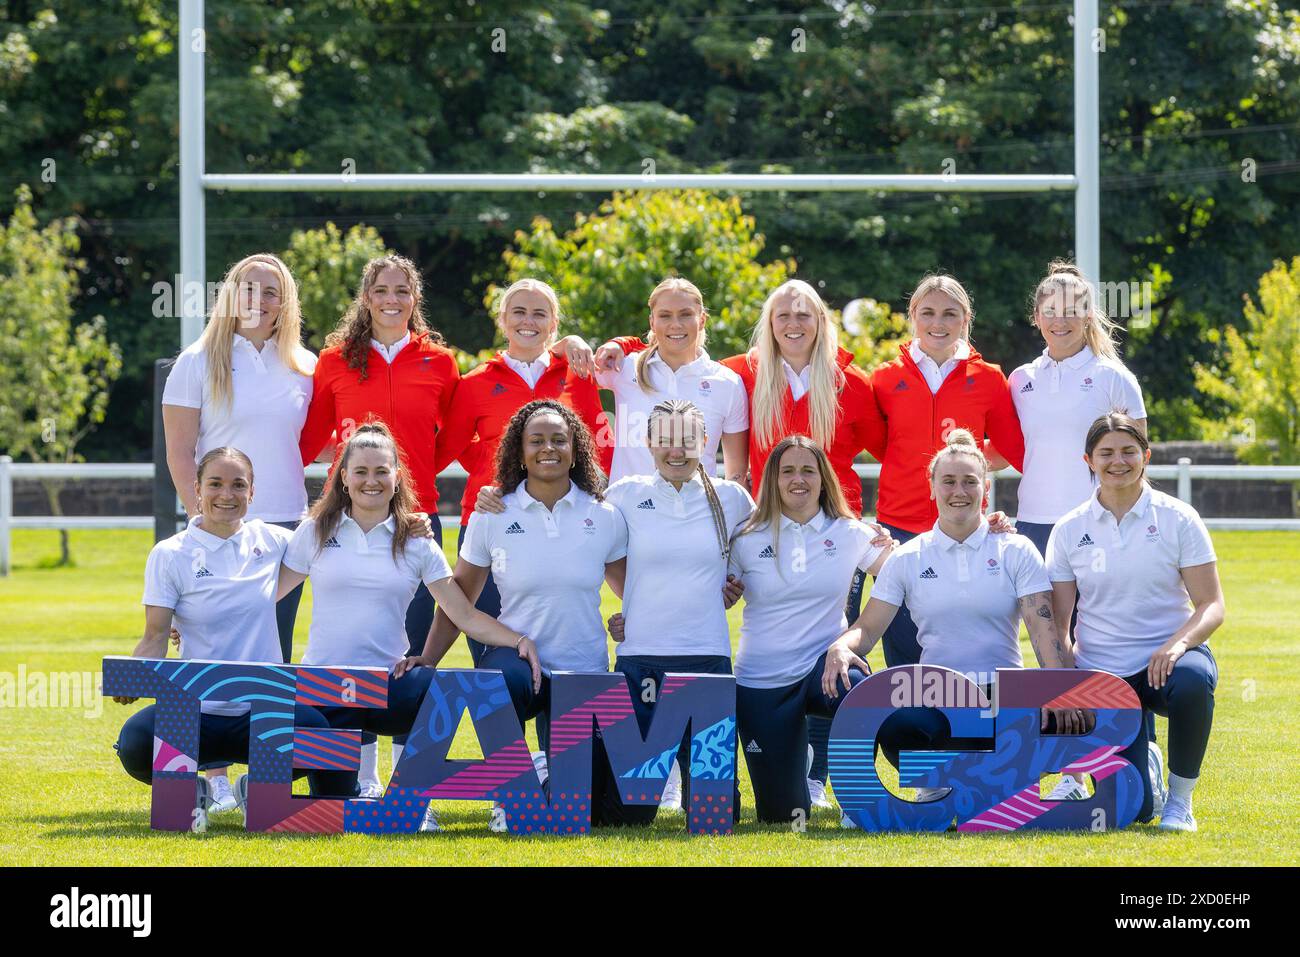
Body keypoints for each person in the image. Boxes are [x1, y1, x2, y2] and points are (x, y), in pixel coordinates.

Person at [476, 399, 753, 819]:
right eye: (665, 440)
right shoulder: (623, 495)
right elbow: (582, 528)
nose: (676, 451)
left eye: (687, 440)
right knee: (621, 817)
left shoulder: (733, 499)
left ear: (705, 441)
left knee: (717, 814)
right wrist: (494, 494)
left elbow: (767, 548)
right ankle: (543, 771)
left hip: (707, 664)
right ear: (649, 443)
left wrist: (733, 582)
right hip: (639, 663)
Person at [277, 422, 534, 828]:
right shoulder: (315, 531)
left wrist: (518, 640)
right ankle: (265, 786)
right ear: (343, 477)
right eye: (360, 471)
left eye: (382, 471)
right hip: (324, 686)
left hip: (388, 686)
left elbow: (462, 613)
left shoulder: (416, 540)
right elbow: (267, 596)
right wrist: (195, 619)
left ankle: (415, 799)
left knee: (435, 686)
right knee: (331, 810)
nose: (371, 481)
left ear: (397, 478)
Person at [822, 430, 1075, 826]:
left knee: (1000, 807)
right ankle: (936, 782)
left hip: (1001, 695)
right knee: (898, 723)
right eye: (949, 481)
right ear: (932, 487)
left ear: (985, 488)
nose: (960, 491)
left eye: (970, 481)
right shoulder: (907, 557)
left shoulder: (1015, 549)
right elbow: (868, 628)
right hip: (936, 696)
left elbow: (1044, 634)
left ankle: (984, 778)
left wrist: (1059, 694)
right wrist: (842, 646)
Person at [402, 399, 627, 829]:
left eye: (559, 440)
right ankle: (510, 794)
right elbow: (458, 601)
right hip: (519, 663)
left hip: (584, 671)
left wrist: (632, 619)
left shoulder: (604, 514)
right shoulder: (493, 514)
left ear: (575, 449)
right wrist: (427, 661)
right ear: (519, 451)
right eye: (536, 440)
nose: (549, 448)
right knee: (497, 681)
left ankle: (542, 777)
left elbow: (631, 589)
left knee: (601, 813)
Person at [113, 448, 354, 814]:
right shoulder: (170, 553)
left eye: (238, 485)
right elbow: (156, 635)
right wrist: (133, 678)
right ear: (197, 488)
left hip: (264, 709)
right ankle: (193, 790)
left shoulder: (274, 541)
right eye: (215, 484)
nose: (227, 494)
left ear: (252, 492)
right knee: (135, 742)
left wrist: (412, 526)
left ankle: (255, 787)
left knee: (326, 742)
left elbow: (337, 532)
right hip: (194, 712)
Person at [297, 255, 460, 791]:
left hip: (412, 517)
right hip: (342, 519)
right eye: (382, 290)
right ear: (365, 298)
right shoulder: (334, 361)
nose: (392, 299)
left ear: (415, 300)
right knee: (351, 650)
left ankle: (408, 787)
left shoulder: (440, 362)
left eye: (403, 291)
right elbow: (310, 436)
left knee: (406, 659)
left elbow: (455, 435)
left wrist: (408, 482)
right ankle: (359, 780)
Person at [161, 254, 316, 809]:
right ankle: (216, 778)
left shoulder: (305, 365)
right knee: (213, 649)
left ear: (285, 302)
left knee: (271, 652)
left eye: (271, 291)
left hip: (283, 527)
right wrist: (204, 527)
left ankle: (263, 774)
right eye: (248, 289)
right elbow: (180, 454)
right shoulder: (197, 361)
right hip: (219, 527)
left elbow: (312, 442)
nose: (260, 299)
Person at [1046, 413, 1223, 832]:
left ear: (1145, 456)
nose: (1118, 461)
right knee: (1134, 808)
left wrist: (1177, 646)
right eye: (1106, 453)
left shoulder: (1179, 518)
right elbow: (1058, 619)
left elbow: (1211, 605)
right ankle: (1148, 765)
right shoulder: (1070, 529)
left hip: (1167, 666)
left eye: (1128, 451)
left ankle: (1180, 803)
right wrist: (1065, 677)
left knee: (1195, 680)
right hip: (1103, 675)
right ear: (1089, 460)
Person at [431, 280, 611, 664]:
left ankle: (563, 725)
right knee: (496, 665)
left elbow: (597, 445)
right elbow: (451, 446)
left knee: (564, 656)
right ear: (502, 319)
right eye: (519, 311)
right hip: (491, 519)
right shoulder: (475, 382)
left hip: (561, 522)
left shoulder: (577, 374)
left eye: (539, 313)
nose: (528, 321)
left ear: (553, 324)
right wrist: (489, 475)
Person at [862, 274, 1026, 670]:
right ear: (912, 316)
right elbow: (881, 446)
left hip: (966, 527)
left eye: (950, 313)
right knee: (903, 648)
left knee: (962, 644)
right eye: (928, 312)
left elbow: (1007, 451)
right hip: (899, 527)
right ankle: (911, 731)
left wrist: (961, 471)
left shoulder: (989, 378)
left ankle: (971, 727)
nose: (938, 322)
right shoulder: (884, 378)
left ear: (965, 318)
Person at [729, 436, 892, 823]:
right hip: (762, 679)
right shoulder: (746, 537)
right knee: (785, 816)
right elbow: (714, 591)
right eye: (788, 471)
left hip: (826, 667)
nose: (797, 479)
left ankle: (856, 802)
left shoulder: (852, 532)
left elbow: (908, 571)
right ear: (773, 479)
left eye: (808, 470)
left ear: (823, 479)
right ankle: (794, 751)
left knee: (861, 694)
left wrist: (974, 526)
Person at [1009, 261, 1147, 557]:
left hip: (1098, 518)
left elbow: (1137, 458)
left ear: (1087, 316)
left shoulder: (1114, 377)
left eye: (1071, 311)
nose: (1060, 321)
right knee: (1039, 605)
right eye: (1051, 312)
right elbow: (1005, 447)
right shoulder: (1020, 379)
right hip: (1032, 521)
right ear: (1036, 318)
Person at [585, 277, 749, 485]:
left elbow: (737, 473)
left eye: (686, 314)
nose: (675, 324)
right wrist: (571, 343)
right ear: (652, 321)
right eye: (665, 315)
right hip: (627, 514)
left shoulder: (727, 383)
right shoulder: (623, 368)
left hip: (696, 513)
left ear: (702, 320)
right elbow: (558, 372)